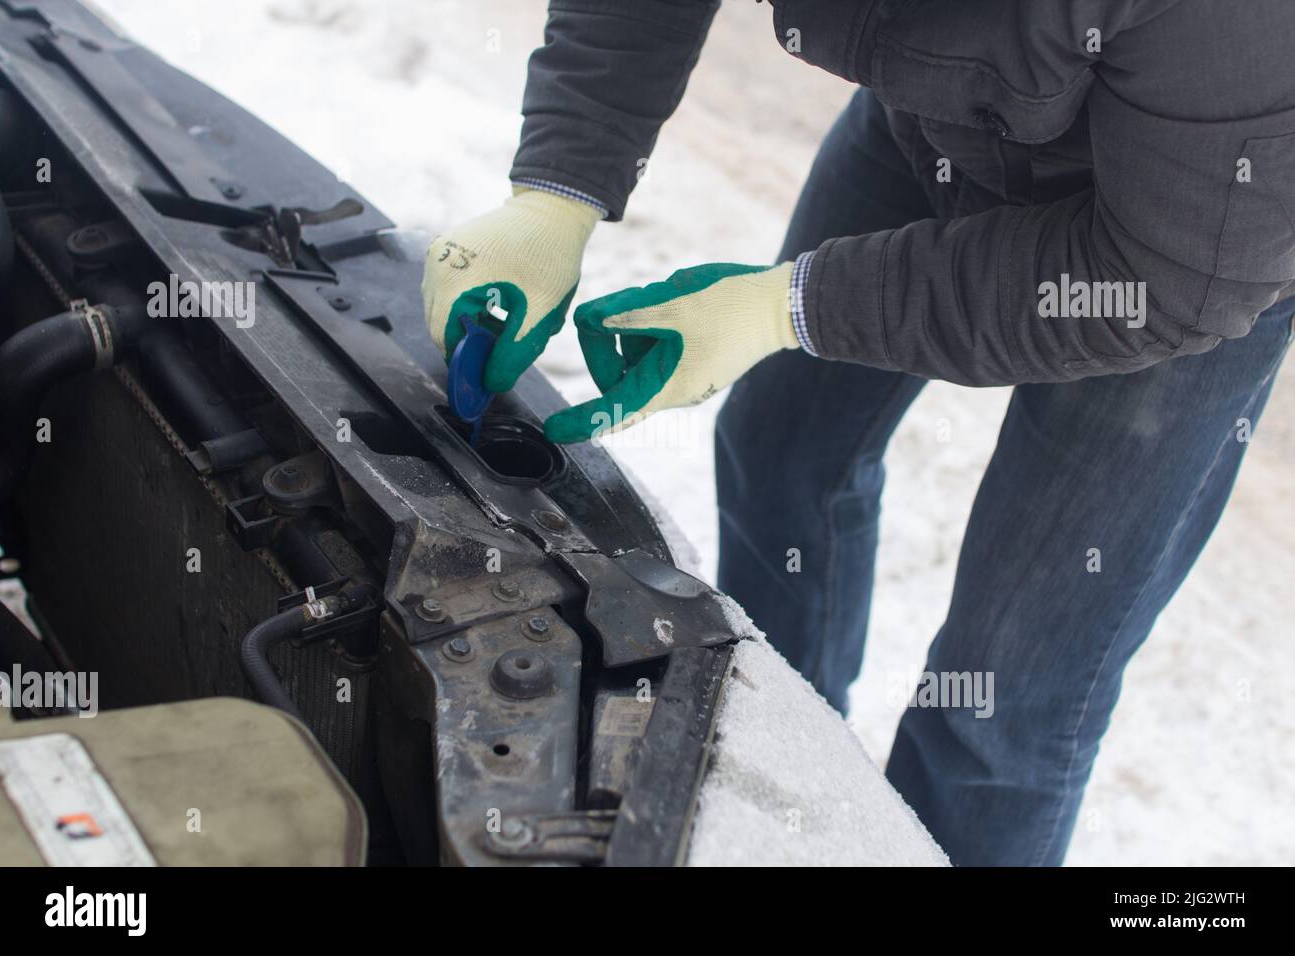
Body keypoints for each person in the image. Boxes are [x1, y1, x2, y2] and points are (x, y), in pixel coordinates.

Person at [421, 1, 1295, 865]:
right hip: (943, 116)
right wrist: (556, 194)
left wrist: (790, 307)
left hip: (1184, 238)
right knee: (779, 451)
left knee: (1004, 691)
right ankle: (780, 779)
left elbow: (1166, 279)